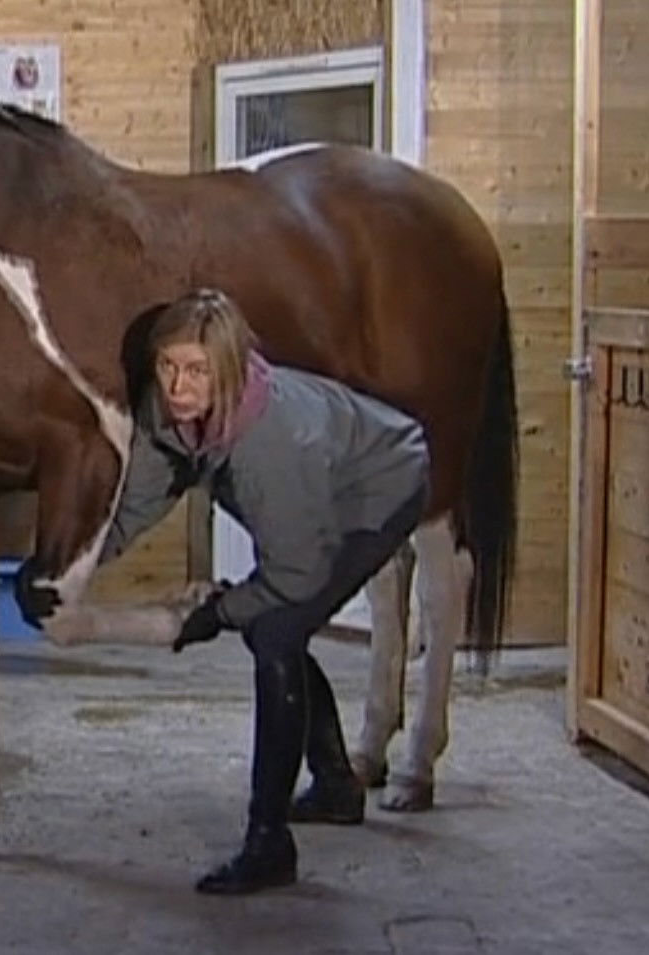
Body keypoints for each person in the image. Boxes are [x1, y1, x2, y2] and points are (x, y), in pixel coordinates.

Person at [97, 288, 429, 895]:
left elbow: (294, 577)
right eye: (168, 366)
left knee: (275, 630)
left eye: (195, 370)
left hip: (383, 481)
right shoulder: (170, 407)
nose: (177, 385)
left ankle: (270, 841)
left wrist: (215, 613)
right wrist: (68, 570)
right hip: (326, 467)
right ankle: (335, 785)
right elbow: (140, 501)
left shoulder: (273, 445)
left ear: (225, 370)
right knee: (277, 625)